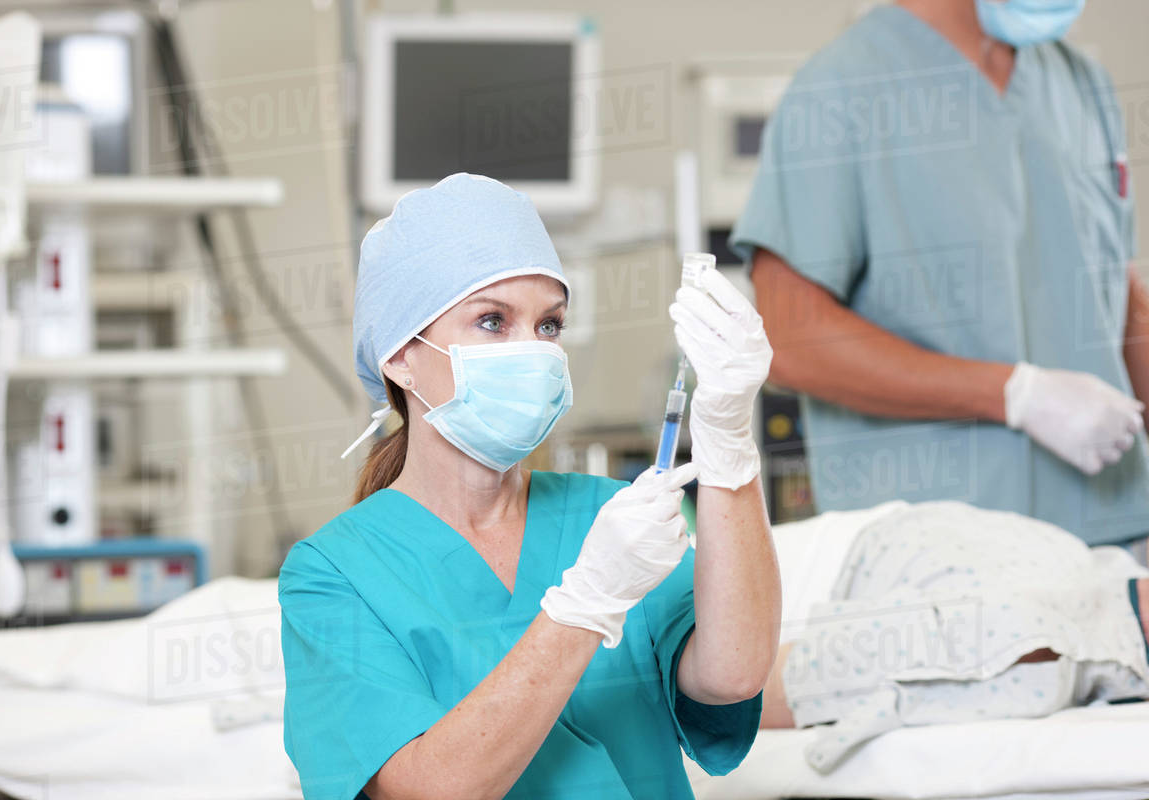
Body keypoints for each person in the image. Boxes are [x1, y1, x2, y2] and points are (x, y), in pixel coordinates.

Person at [278, 173, 781, 799]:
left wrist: (730, 447)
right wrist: (586, 603)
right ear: (400, 355)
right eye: (492, 321)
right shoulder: (334, 574)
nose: (534, 351)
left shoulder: (611, 517)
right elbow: (429, 790)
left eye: (549, 325)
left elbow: (733, 675)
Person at [728, 0, 1149, 557]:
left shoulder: (1080, 83)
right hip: (930, 562)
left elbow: (1120, 299)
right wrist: (1015, 394)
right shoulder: (840, 88)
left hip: (1112, 535)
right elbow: (790, 338)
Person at [757, 500, 1149, 772]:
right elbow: (755, 687)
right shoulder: (1048, 627)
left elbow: (758, 687)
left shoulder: (1051, 628)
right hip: (781, 586)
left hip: (805, 577)